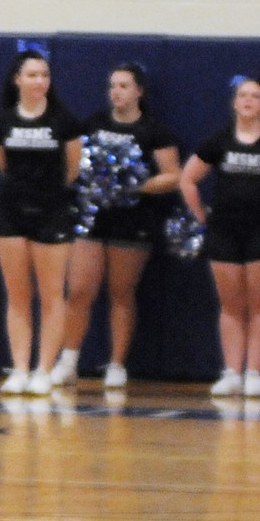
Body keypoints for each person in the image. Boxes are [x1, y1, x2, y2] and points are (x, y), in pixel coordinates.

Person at [49, 63, 180, 391]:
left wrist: (134, 185)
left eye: (124, 86)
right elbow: (74, 164)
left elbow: (173, 175)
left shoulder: (154, 130)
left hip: (133, 220)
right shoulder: (93, 123)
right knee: (79, 290)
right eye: (112, 86)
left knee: (121, 293)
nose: (116, 92)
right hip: (92, 218)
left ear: (139, 91)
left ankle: (117, 365)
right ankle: (68, 362)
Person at [180, 76, 260, 399]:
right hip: (224, 230)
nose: (249, 101)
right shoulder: (220, 140)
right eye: (243, 95)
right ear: (235, 102)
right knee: (230, 304)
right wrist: (201, 217)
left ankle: (254, 373)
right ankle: (231, 372)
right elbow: (187, 179)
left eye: (256, 96)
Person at [0, 42, 82, 396]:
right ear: (17, 80)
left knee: (52, 295)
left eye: (44, 74)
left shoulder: (64, 121)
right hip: (11, 214)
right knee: (18, 295)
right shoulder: (2, 122)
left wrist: (49, 195)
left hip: (52, 214)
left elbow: (72, 168)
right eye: (32, 74)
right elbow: (3, 163)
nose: (39, 80)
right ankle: (20, 369)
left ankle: (44, 370)